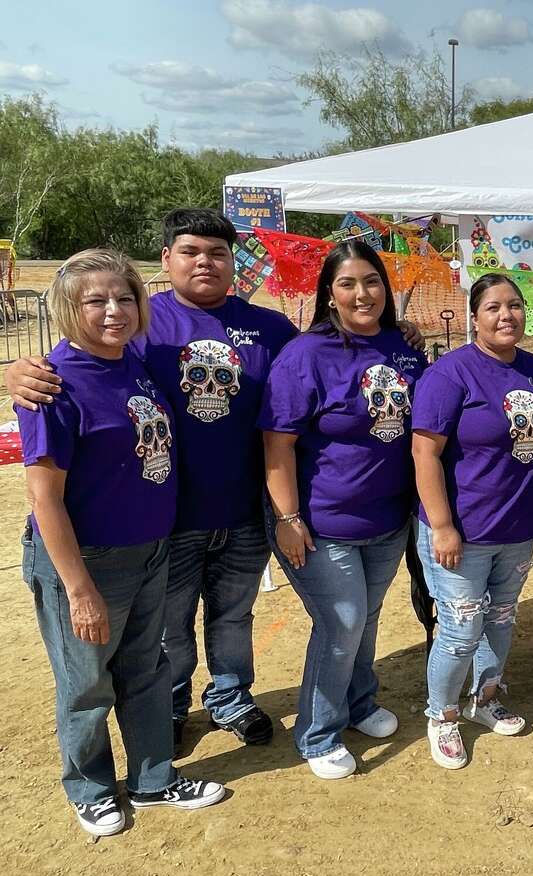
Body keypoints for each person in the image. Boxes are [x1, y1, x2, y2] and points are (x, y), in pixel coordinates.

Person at [6, 209, 425, 752]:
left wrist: (400, 332)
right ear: (166, 260)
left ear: (234, 263)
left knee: (233, 616)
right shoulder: (138, 325)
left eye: (218, 253)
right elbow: (77, 358)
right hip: (167, 517)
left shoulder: (271, 330)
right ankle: (173, 704)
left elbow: (333, 355)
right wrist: (20, 369)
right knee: (170, 625)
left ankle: (230, 697)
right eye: (190, 251)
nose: (204, 262)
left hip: (246, 509)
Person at [18, 249, 224, 837]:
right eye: (96, 300)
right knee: (86, 683)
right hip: (87, 561)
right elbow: (46, 498)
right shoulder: (54, 386)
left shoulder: (130, 363)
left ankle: (153, 779)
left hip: (149, 549)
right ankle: (89, 786)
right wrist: (78, 590)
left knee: (146, 669)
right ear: (66, 307)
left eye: (124, 297)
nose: (114, 310)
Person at [258, 240, 427, 779]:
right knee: (342, 621)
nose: (362, 293)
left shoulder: (403, 347)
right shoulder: (305, 355)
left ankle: (359, 703)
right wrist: (287, 518)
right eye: (348, 283)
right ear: (328, 294)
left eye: (372, 281)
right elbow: (277, 443)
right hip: (318, 523)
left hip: (385, 520)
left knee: (366, 619)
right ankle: (317, 732)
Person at [413, 273, 533, 769]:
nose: (507, 316)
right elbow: (424, 454)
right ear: (474, 317)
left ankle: (486, 696)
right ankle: (443, 714)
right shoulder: (450, 375)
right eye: (495, 307)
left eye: (516, 306)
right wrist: (441, 525)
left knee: (500, 619)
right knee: (460, 630)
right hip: (462, 531)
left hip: (518, 528)